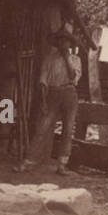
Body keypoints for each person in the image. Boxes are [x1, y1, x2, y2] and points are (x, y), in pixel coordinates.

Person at [15, 29, 81, 176]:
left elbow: (72, 77)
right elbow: (43, 82)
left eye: (66, 41)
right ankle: (28, 161)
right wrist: (44, 101)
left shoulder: (76, 60)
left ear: (70, 43)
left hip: (70, 93)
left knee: (68, 129)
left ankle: (62, 164)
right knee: (42, 128)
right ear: (57, 43)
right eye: (60, 40)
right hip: (53, 93)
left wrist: (66, 58)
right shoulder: (49, 59)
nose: (63, 43)